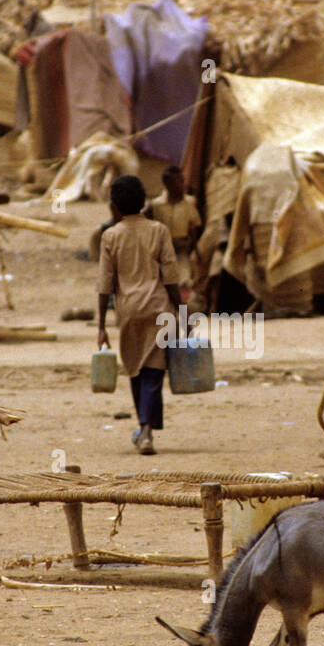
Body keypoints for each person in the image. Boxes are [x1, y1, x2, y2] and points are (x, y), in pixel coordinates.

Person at [98, 175, 181, 455]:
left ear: (115, 206)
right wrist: (181, 311)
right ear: (144, 202)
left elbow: (104, 283)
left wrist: (101, 325)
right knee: (154, 370)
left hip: (129, 310)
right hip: (159, 307)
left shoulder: (111, 235)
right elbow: (170, 275)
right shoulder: (159, 230)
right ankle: (146, 430)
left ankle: (144, 427)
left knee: (135, 368)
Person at [148, 165, 201, 296]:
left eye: (183, 181)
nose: (183, 185)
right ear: (168, 185)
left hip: (182, 246)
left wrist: (196, 249)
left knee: (184, 280)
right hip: (162, 247)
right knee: (163, 281)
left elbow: (194, 226)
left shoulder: (190, 202)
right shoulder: (156, 204)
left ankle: (182, 313)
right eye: (179, 182)